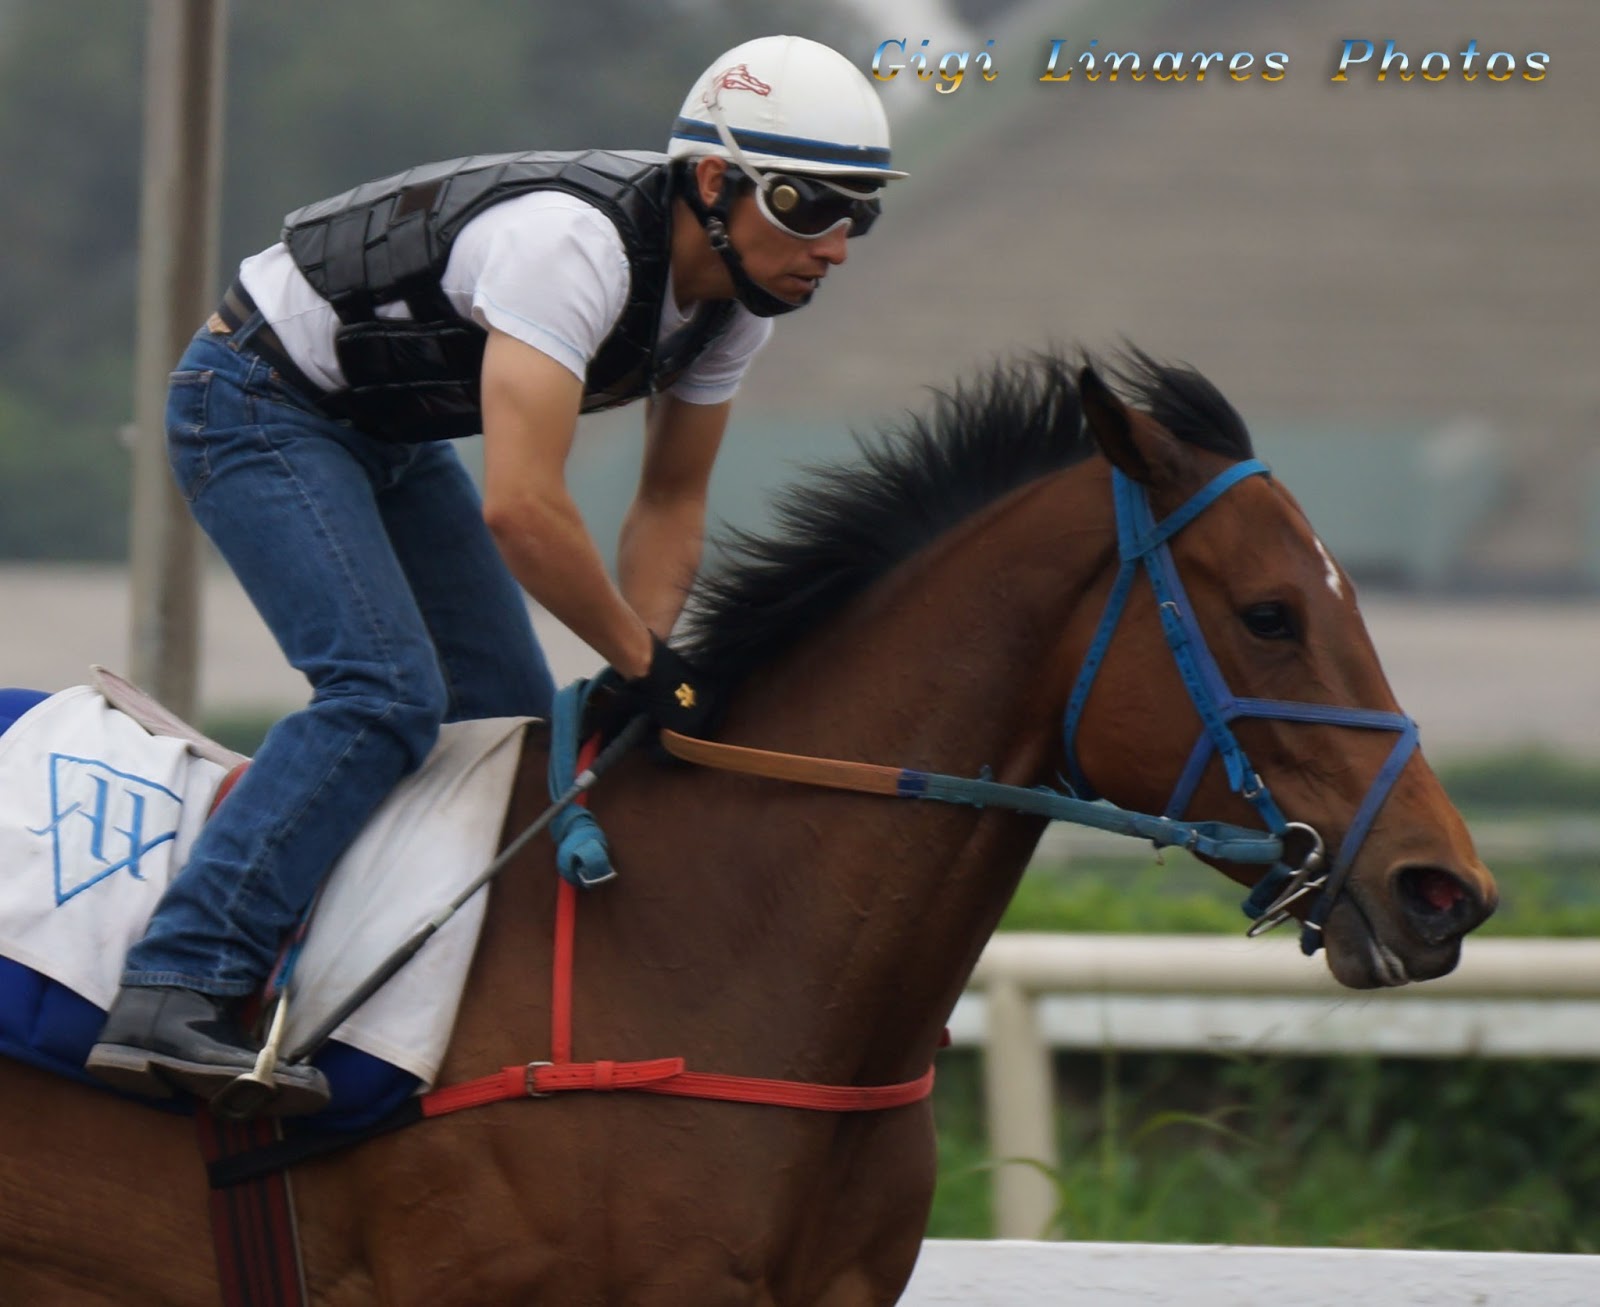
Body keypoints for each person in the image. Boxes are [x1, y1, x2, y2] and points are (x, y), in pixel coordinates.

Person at [86, 34, 906, 1115]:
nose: (835, 246)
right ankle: (176, 982)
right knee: (386, 693)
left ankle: (440, 1013)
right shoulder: (573, 249)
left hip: (382, 433)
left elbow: (667, 506)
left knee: (506, 728)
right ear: (714, 180)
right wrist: (645, 658)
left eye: (861, 212)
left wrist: (640, 666)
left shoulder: (733, 305)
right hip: (255, 400)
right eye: (811, 207)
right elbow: (521, 507)